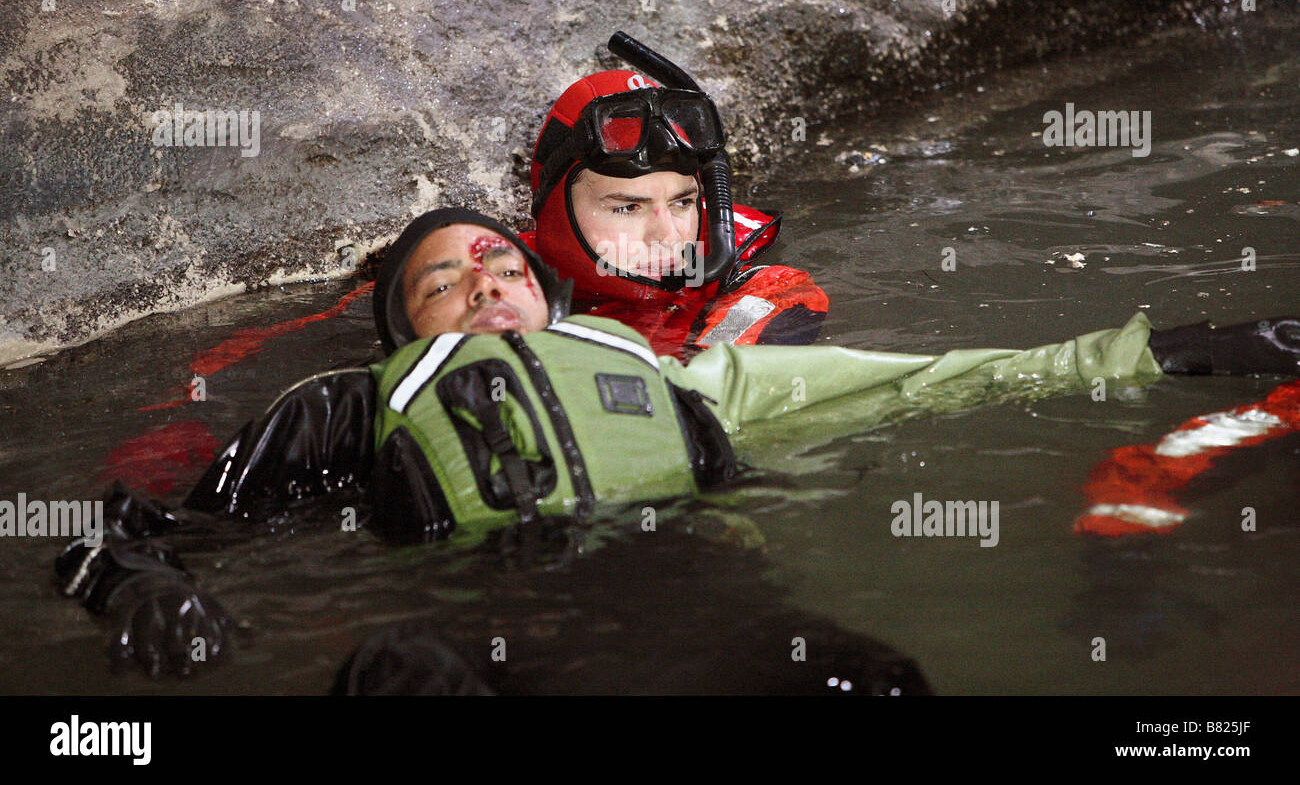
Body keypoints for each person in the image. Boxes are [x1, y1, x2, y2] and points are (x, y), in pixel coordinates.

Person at [55, 206, 1300, 676]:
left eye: (498, 260)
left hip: (712, 602)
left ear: (549, 293)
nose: (481, 281)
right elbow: (123, 530)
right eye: (440, 281)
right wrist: (145, 589)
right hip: (505, 627)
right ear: (401, 332)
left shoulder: (682, 376)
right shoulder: (347, 406)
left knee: (864, 678)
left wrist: (1181, 346)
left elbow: (937, 380)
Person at [522, 33, 828, 358]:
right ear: (554, 212)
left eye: (682, 202)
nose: (668, 237)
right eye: (627, 208)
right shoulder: (483, 289)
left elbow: (717, 378)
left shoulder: (771, 291)